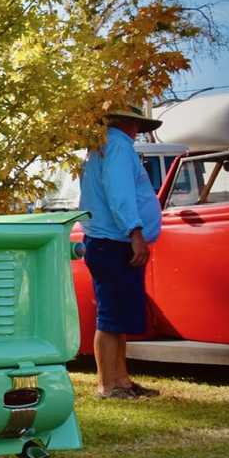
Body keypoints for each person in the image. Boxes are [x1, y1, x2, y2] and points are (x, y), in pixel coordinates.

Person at [78, 104, 164, 400]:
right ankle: (107, 385)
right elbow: (120, 194)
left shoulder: (104, 147)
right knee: (110, 316)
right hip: (114, 241)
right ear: (129, 123)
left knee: (118, 315)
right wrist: (135, 232)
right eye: (136, 124)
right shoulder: (117, 146)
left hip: (109, 240)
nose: (138, 130)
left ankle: (121, 380)